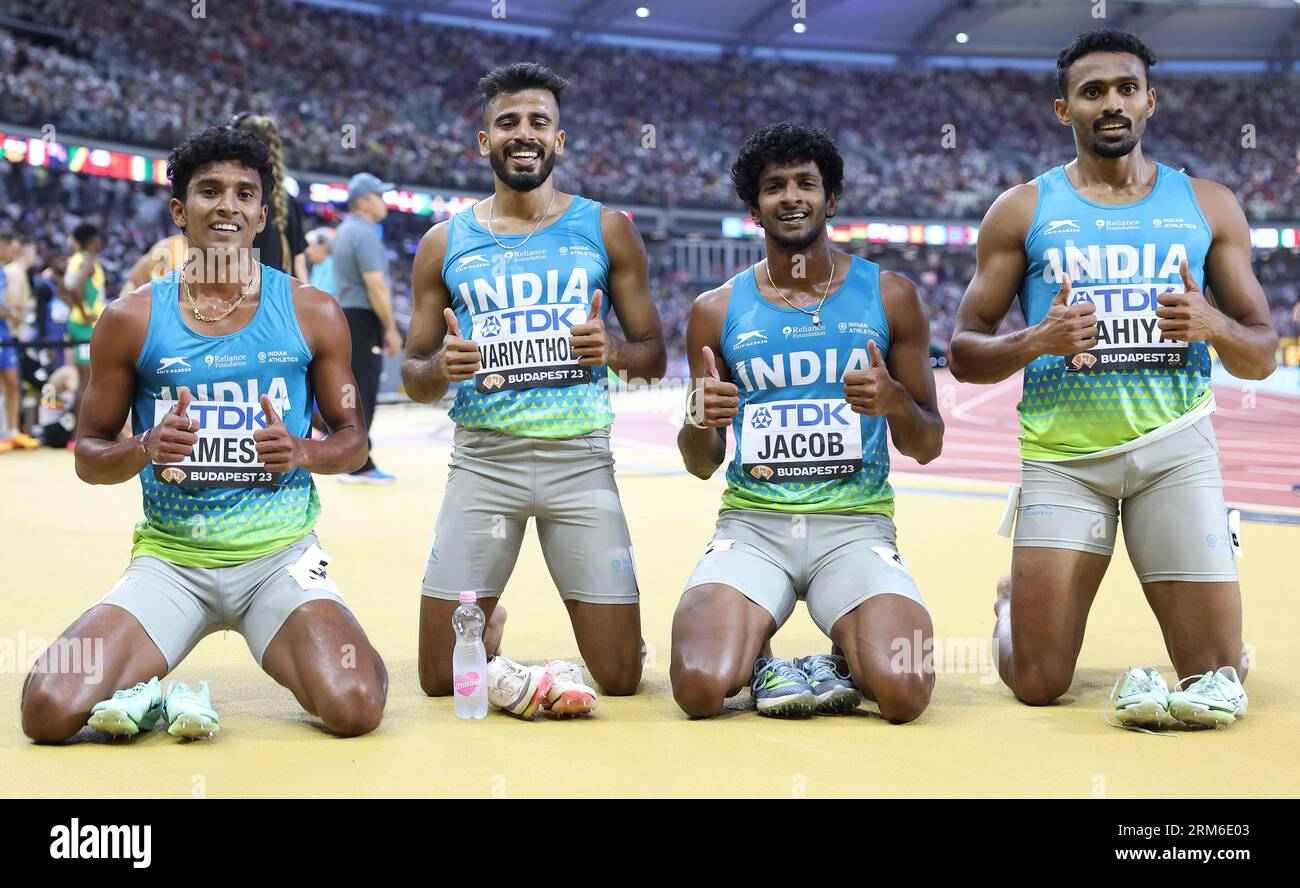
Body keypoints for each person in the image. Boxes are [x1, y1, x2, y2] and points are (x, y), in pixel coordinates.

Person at [949, 29, 1279, 729]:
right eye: (1092, 91)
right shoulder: (1021, 211)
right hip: (1065, 462)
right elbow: (964, 353)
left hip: (1176, 455)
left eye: (1126, 88)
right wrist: (1036, 339)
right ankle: (1014, 606)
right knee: (1039, 683)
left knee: (1215, 678)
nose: (1111, 103)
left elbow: (1263, 354)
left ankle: (1215, 630)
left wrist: (1213, 324)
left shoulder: (1210, 206)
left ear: (1150, 101)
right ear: (1063, 109)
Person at [20, 125, 387, 741]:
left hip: (279, 558)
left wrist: (301, 450)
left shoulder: (311, 311)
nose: (227, 205)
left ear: (262, 214)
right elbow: (87, 454)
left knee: (353, 706)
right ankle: (151, 683)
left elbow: (354, 442)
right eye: (209, 191)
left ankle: (317, 635)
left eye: (245, 194)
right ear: (178, 210)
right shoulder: (130, 318)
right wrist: (143, 448)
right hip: (172, 561)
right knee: (49, 709)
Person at [403, 62, 666, 718]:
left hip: (580, 465)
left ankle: (587, 639)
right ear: (484, 141)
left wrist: (612, 351)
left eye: (538, 123)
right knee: (441, 678)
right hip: (483, 466)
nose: (524, 133)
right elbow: (413, 372)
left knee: (621, 677)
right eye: (508, 123)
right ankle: (486, 633)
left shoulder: (606, 229)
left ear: (560, 139)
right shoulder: (444, 242)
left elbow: (655, 358)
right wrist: (442, 368)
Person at [670, 123, 942, 721]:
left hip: (856, 527)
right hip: (754, 526)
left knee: (903, 691)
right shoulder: (714, 311)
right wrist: (700, 417)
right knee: (698, 688)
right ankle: (760, 655)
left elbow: (928, 444)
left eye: (805, 184)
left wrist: (896, 401)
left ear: (831, 200)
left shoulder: (890, 296)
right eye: (774, 187)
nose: (791, 196)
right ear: (753, 208)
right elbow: (700, 460)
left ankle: (841, 657)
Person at [329, 174, 402, 483]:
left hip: (346, 316)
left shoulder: (344, 231)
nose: (384, 202)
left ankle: (355, 457)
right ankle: (359, 463)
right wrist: (391, 328)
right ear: (363, 201)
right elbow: (376, 286)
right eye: (379, 196)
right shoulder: (366, 234)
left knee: (354, 388)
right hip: (363, 316)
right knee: (365, 388)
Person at [229, 113, 308, 280]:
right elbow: (299, 263)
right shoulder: (286, 200)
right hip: (282, 299)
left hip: (244, 299)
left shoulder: (233, 198)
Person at [2, 238, 40, 450]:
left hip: (9, 333)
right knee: (10, 383)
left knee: (11, 383)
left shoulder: (7, 271)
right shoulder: (16, 271)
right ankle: (10, 431)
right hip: (10, 333)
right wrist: (27, 307)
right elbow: (13, 303)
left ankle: (11, 432)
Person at [306, 227, 336, 297]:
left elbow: (327, 292)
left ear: (322, 247)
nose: (307, 251)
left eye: (310, 246)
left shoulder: (332, 265)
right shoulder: (316, 265)